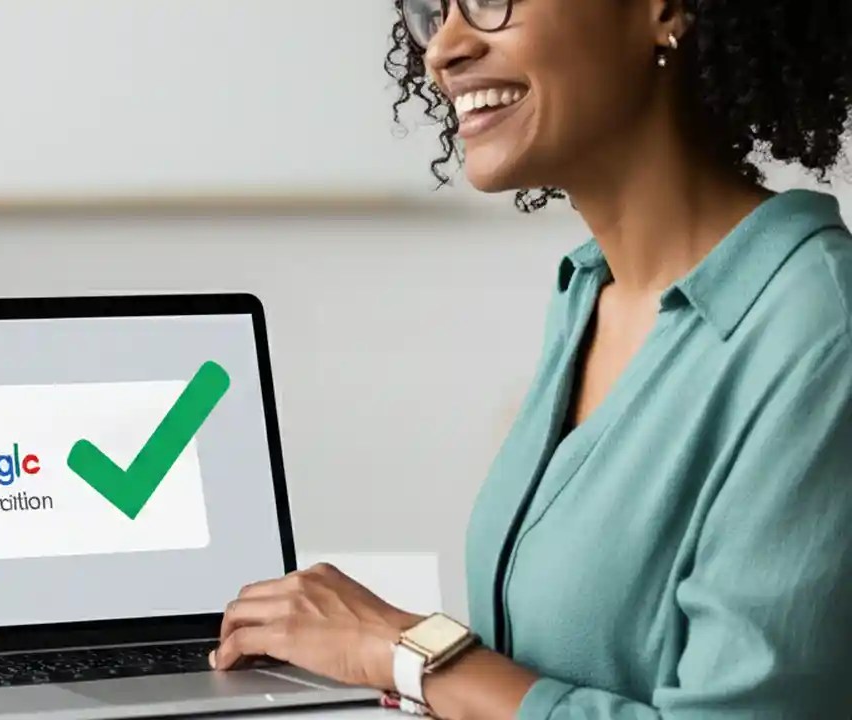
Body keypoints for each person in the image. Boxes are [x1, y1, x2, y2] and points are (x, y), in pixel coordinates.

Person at [209, 0, 852, 716]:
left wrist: (405, 651)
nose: (443, 48)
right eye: (432, 10)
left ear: (663, 9)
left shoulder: (821, 334)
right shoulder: (588, 294)